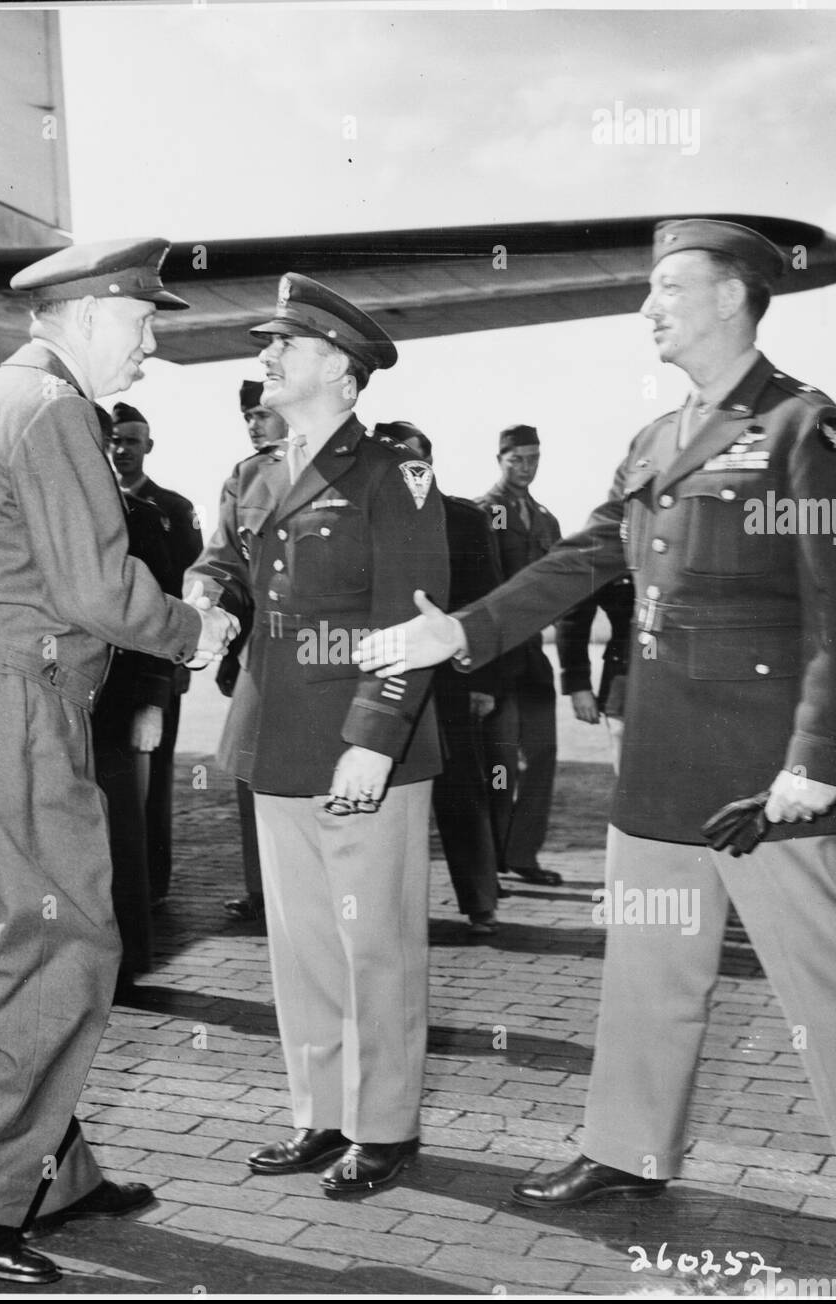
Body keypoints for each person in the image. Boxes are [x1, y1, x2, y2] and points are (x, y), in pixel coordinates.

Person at [356, 219, 836, 1255]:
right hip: (660, 759)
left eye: (668, 289)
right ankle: (626, 1148)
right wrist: (461, 627)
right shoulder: (653, 440)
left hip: (763, 781)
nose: (647, 308)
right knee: (648, 969)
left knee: (831, 986)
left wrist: (816, 763)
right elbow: (586, 557)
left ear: (731, 297)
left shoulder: (803, 430)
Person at [0, 237, 237, 1284]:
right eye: (141, 323)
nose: (149, 347)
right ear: (87, 313)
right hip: (10, 694)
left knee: (1, 945)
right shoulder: (52, 410)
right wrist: (193, 630)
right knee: (68, 942)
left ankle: (45, 1169)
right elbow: (94, 587)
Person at [188, 273, 448, 1196]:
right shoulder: (254, 473)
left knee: (374, 944)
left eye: (283, 347)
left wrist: (374, 738)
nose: (264, 358)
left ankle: (384, 1128)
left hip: (360, 745)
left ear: (339, 369)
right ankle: (323, 1116)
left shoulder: (393, 477)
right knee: (300, 946)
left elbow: (412, 622)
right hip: (275, 740)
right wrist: (207, 596)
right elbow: (219, 559)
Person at [374, 420, 502, 933]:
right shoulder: (366, 517)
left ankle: (479, 903)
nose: (408, 470)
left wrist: (483, 682)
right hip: (385, 675)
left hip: (451, 680)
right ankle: (387, 910)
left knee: (462, 792)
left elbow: (489, 602)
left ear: (431, 462)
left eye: (416, 459)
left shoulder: (466, 520)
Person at [91, 406, 180, 990]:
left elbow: (161, 614)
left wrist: (152, 700)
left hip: (123, 699)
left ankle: (127, 966)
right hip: (65, 698)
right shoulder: (66, 515)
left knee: (124, 834)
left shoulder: (146, 519)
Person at [108, 401, 203, 907]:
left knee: (153, 779)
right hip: (101, 668)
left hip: (154, 665)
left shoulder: (172, 508)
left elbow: (187, 589)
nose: (123, 449)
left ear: (149, 445)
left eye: (132, 440)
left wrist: (178, 663)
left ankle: (151, 884)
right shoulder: (91, 503)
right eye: (115, 440)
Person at [477, 426, 563, 886]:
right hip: (497, 655)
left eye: (533, 458)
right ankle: (489, 860)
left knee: (543, 754)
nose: (526, 468)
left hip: (532, 655)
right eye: (517, 460)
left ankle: (523, 852)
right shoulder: (486, 513)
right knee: (499, 763)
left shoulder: (546, 520)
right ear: (500, 459)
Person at [220, 380, 286, 927]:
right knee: (248, 779)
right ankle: (260, 891)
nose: (254, 423)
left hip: (322, 658)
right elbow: (222, 568)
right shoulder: (244, 478)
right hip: (258, 660)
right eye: (248, 415)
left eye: (262, 413)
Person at [555, 574, 635, 773]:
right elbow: (573, 621)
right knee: (624, 739)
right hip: (625, 665)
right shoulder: (610, 547)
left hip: (686, 665)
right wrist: (578, 684)